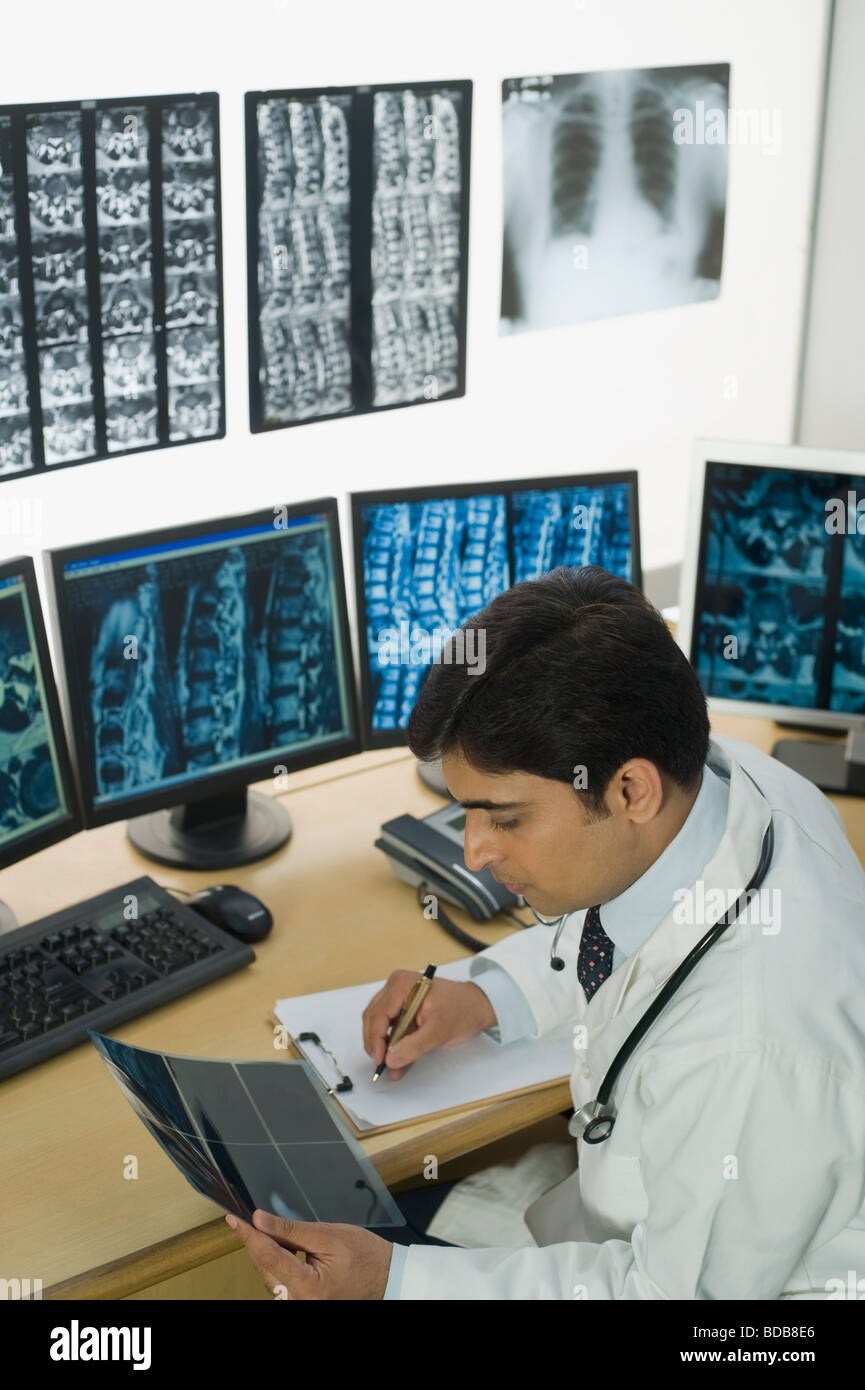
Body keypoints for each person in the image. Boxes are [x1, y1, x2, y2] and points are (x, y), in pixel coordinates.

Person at [228, 567, 865, 1300]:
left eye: (504, 818)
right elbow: (634, 934)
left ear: (630, 789)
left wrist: (392, 1285)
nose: (473, 852)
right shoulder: (724, 780)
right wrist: (487, 999)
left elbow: (672, 1301)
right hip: (634, 1214)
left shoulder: (747, 1045)